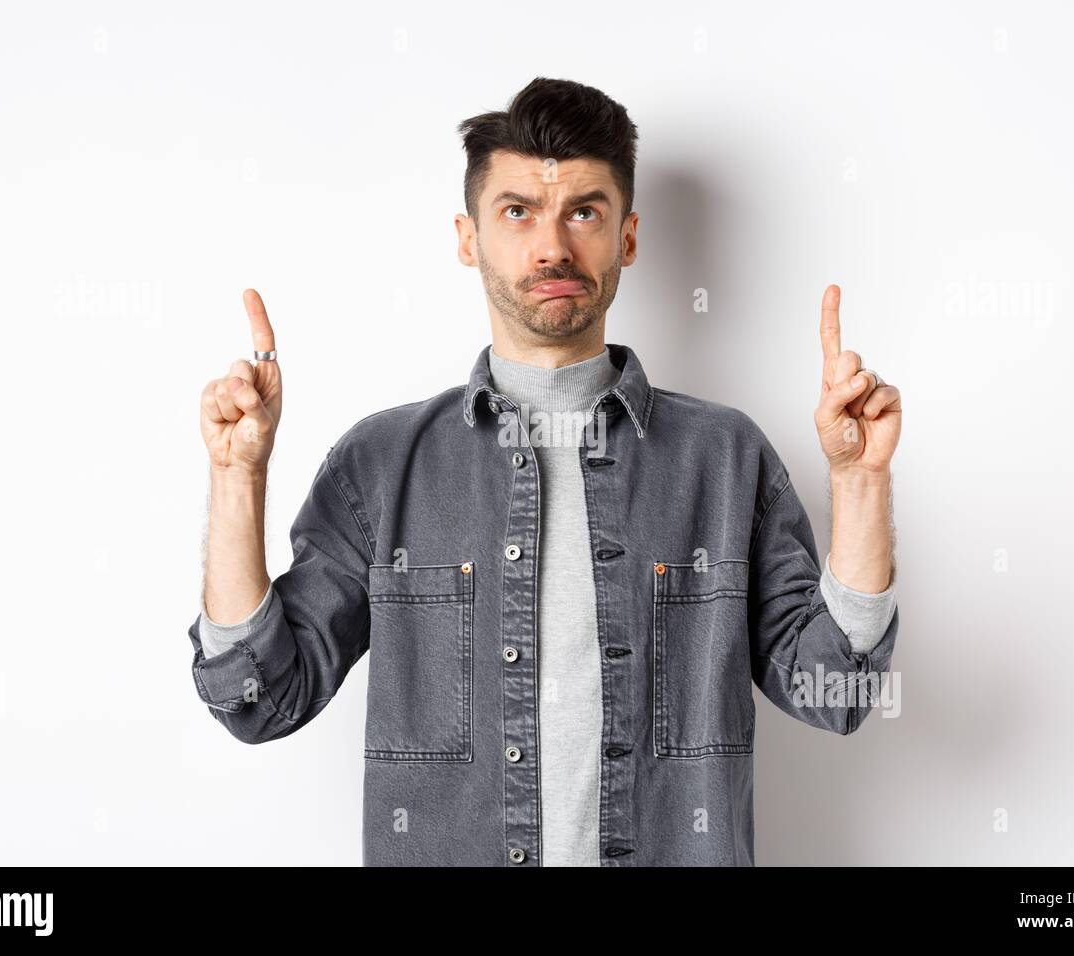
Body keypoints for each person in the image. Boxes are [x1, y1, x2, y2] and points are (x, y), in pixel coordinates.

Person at [188, 76, 901, 867]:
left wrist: (860, 482)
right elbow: (260, 700)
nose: (553, 247)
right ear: (468, 238)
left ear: (628, 237)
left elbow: (837, 692)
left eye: (584, 212)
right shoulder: (382, 465)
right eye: (518, 211)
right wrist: (237, 479)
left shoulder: (725, 459)